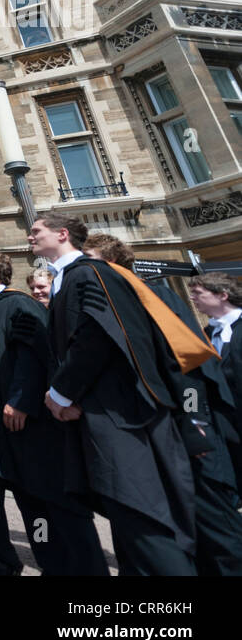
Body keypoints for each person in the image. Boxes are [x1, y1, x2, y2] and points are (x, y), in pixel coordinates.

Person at [32, 214, 199, 575]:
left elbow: (97, 335)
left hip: (120, 416)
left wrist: (61, 393)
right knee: (131, 525)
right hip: (112, 413)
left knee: (144, 522)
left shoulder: (87, 273)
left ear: (62, 235)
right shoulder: (76, 277)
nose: (30, 237)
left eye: (36, 231)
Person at [86, 243, 242, 576]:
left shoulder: (155, 297)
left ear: (111, 263)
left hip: (194, 432)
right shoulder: (116, 303)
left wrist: (195, 420)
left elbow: (187, 365)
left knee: (217, 529)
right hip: (163, 432)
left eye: (91, 262)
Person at [0, 248, 102, 575]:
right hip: (7, 428)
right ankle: (51, 565)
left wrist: (22, 400)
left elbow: (35, 355)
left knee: (57, 503)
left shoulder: (18, 304)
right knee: (31, 505)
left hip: (35, 426)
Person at [189, 272, 242, 487]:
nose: (192, 298)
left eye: (198, 293)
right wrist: (192, 417)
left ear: (222, 295)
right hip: (225, 428)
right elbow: (190, 381)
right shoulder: (203, 335)